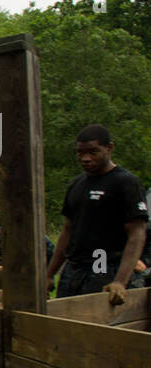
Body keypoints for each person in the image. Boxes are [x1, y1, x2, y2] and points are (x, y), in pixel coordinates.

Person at [48, 125, 148, 304]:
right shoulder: (76, 184)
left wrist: (120, 281)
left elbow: (137, 233)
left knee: (94, 322)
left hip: (102, 263)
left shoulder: (125, 183)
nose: (85, 158)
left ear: (109, 148)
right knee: (63, 322)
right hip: (74, 268)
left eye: (93, 152)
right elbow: (67, 231)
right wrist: (48, 275)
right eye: (80, 153)